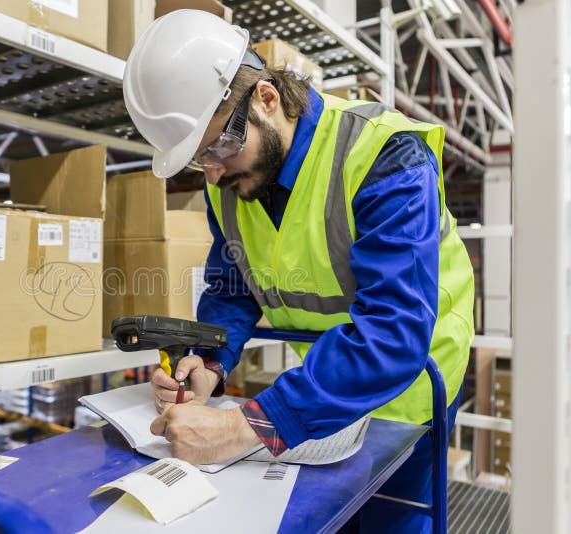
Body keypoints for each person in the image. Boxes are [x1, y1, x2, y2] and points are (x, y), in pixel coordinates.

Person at [123, 9, 474, 533]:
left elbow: (395, 333)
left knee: (388, 524)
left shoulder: (385, 154)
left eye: (219, 146)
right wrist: (210, 364)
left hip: (407, 391)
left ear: (266, 97)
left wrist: (244, 426)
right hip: (318, 385)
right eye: (199, 161)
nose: (213, 172)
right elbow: (233, 284)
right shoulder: (229, 185)